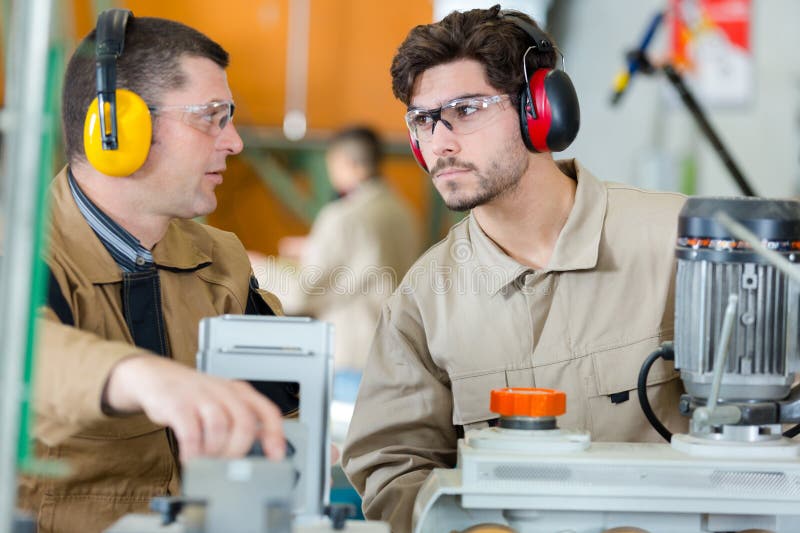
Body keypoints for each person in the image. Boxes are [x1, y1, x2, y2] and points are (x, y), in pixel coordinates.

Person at [341, 6, 688, 532]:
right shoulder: (424, 299)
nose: (441, 142)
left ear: (539, 109)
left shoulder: (679, 243)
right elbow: (391, 470)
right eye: (424, 120)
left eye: (466, 109)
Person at [17, 11, 293, 533]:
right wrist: (139, 376)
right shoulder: (22, 253)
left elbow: (281, 400)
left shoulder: (221, 260)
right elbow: (27, 356)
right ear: (116, 130)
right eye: (212, 116)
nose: (233, 142)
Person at [260, 126, 420, 376]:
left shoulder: (342, 216)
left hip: (352, 354)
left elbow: (304, 293)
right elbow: (369, 266)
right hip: (394, 351)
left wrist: (256, 266)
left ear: (345, 162)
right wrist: (312, 248)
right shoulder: (403, 212)